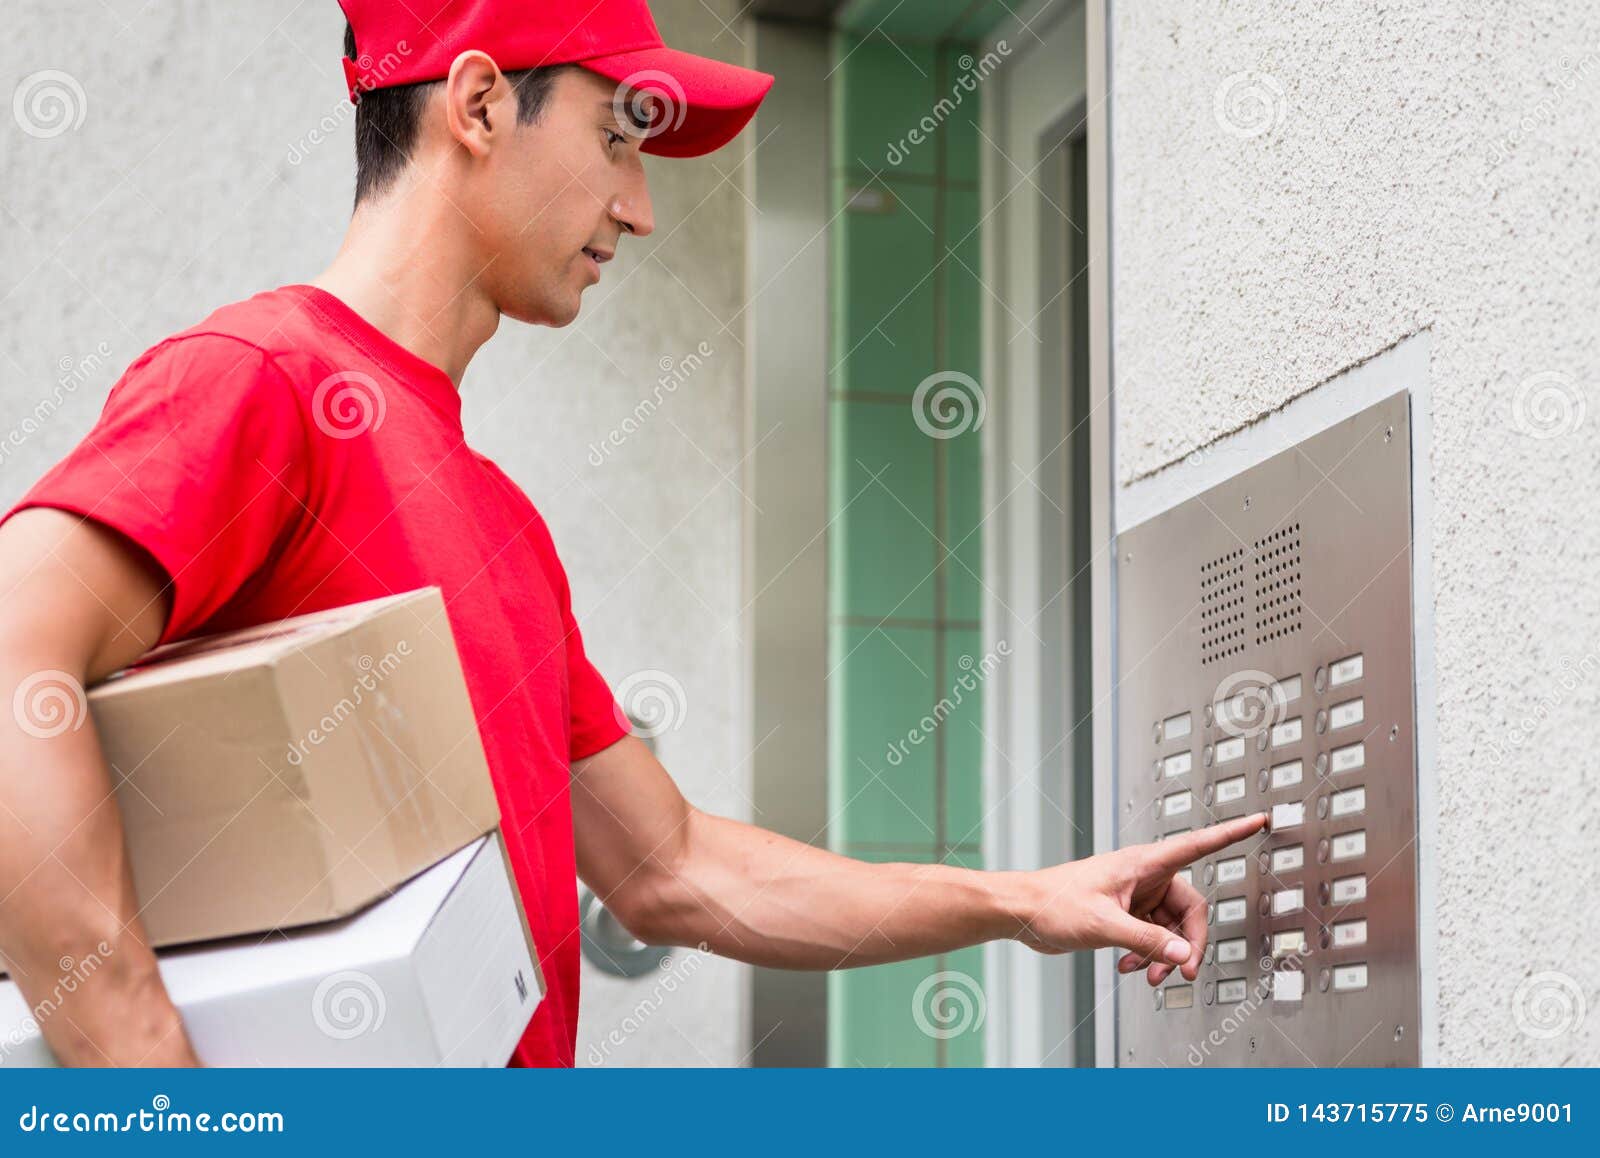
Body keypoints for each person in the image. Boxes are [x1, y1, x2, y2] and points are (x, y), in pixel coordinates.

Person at [0, 0, 1266, 1067]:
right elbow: (12, 664)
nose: (641, 207)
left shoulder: (498, 521)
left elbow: (672, 868)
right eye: (620, 137)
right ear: (482, 106)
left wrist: (1023, 901)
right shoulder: (264, 378)